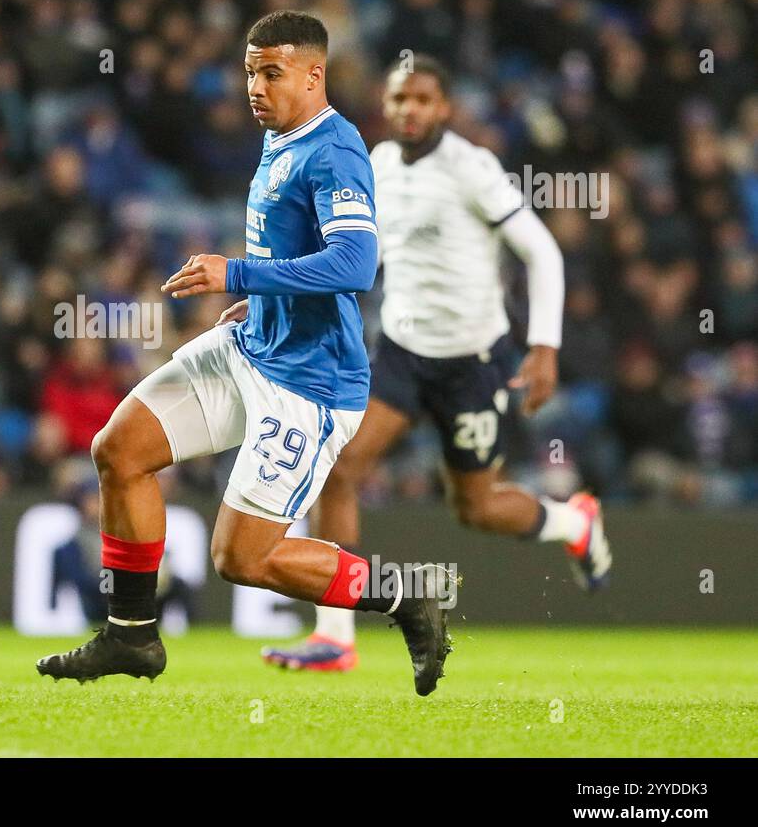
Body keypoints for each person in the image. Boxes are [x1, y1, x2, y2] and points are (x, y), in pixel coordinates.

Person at [36, 12, 452, 696]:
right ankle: (131, 636)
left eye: (272, 72)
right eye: (250, 71)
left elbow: (355, 263)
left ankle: (407, 596)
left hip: (308, 384)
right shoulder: (278, 135)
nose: (255, 87)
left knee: (241, 558)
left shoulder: (335, 149)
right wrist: (262, 300)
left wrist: (239, 275)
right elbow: (294, 248)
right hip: (252, 346)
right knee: (120, 450)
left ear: (314, 75)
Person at [261, 55, 611, 674]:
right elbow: (335, 253)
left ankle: (574, 521)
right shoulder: (376, 167)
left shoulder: (472, 169)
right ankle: (336, 637)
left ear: (445, 107)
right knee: (340, 469)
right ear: (386, 105)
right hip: (401, 355)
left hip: (474, 361)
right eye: (399, 99)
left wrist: (545, 347)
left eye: (423, 99)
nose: (409, 110)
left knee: (475, 509)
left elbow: (543, 252)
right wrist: (263, 294)